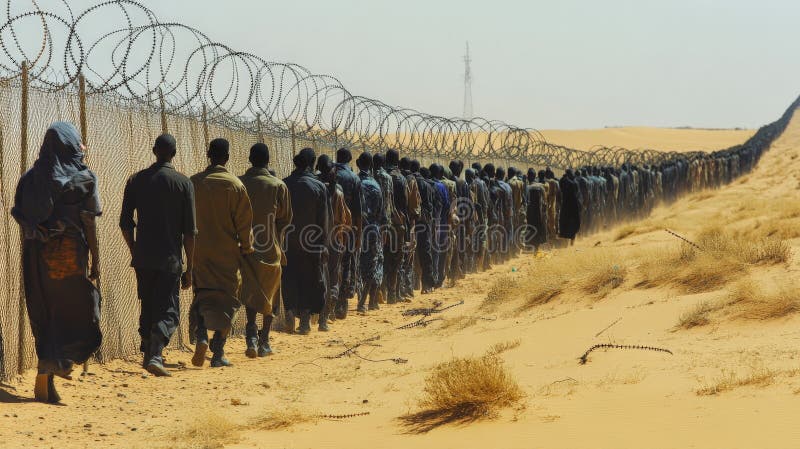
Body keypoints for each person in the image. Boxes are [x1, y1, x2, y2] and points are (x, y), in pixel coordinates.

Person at [12, 122, 102, 403]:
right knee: (83, 311)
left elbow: (22, 215)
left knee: (46, 314)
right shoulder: (84, 178)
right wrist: (96, 260)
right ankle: (61, 362)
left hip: (36, 261)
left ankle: (46, 374)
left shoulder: (30, 179)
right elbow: (89, 222)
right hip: (68, 261)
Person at [120, 134, 196, 377]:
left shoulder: (136, 180)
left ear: (154, 150)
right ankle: (154, 353)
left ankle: (149, 352)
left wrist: (134, 249)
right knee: (169, 310)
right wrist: (190, 267)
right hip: (169, 259)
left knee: (149, 303)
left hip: (143, 257)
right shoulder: (184, 184)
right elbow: (189, 232)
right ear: (174, 153)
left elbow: (125, 223)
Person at [190, 138, 254, 368]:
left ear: (209, 155)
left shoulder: (194, 183)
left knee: (201, 295)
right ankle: (218, 352)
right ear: (227, 158)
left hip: (199, 251)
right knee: (230, 301)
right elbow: (244, 224)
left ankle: (200, 337)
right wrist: (246, 248)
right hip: (227, 254)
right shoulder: (235, 185)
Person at [239, 143, 292, 357]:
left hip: (245, 246)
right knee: (271, 293)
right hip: (271, 246)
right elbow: (286, 219)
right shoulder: (278, 185)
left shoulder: (239, 183)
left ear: (250, 159)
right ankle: (264, 340)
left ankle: (251, 335)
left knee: (251, 289)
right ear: (268, 160)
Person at [282, 148, 330, 334]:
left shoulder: (285, 184)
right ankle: (304, 321)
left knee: (290, 278)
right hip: (311, 243)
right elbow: (323, 220)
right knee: (309, 281)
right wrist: (323, 245)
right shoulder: (318, 187)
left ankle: (289, 311)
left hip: (288, 241)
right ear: (312, 163)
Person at [316, 154, 352, 329]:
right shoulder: (337, 192)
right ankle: (326, 316)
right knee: (333, 277)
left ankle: (315, 314)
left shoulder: (316, 188)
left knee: (319, 278)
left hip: (315, 239)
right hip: (335, 239)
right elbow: (346, 218)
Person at [334, 148, 362, 318]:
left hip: (326, 228)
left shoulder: (327, 172)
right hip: (348, 228)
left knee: (329, 264)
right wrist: (358, 234)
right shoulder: (353, 178)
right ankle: (341, 303)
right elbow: (358, 210)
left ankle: (328, 303)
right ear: (350, 160)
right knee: (346, 263)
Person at [356, 152, 385, 312]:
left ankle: (361, 302)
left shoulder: (356, 182)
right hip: (373, 229)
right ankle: (370, 301)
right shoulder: (375, 185)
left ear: (358, 164)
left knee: (359, 265)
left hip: (356, 228)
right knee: (374, 263)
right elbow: (381, 212)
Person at [384, 149, 410, 303]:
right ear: (398, 162)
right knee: (396, 259)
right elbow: (405, 204)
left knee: (383, 257)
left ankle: (380, 291)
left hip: (382, 223)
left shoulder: (378, 176)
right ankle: (393, 294)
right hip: (397, 223)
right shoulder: (400, 178)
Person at [525, 171, 548, 254]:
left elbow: (525, 202)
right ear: (535, 176)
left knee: (530, 228)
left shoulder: (527, 187)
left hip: (530, 213)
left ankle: (531, 247)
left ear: (528, 177)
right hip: (539, 213)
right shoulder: (541, 187)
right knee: (539, 229)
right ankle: (537, 247)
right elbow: (545, 202)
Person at [559, 169, 582, 245]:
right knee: (567, 223)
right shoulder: (569, 182)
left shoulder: (572, 183)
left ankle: (571, 240)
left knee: (572, 223)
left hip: (571, 205)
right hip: (569, 205)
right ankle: (569, 240)